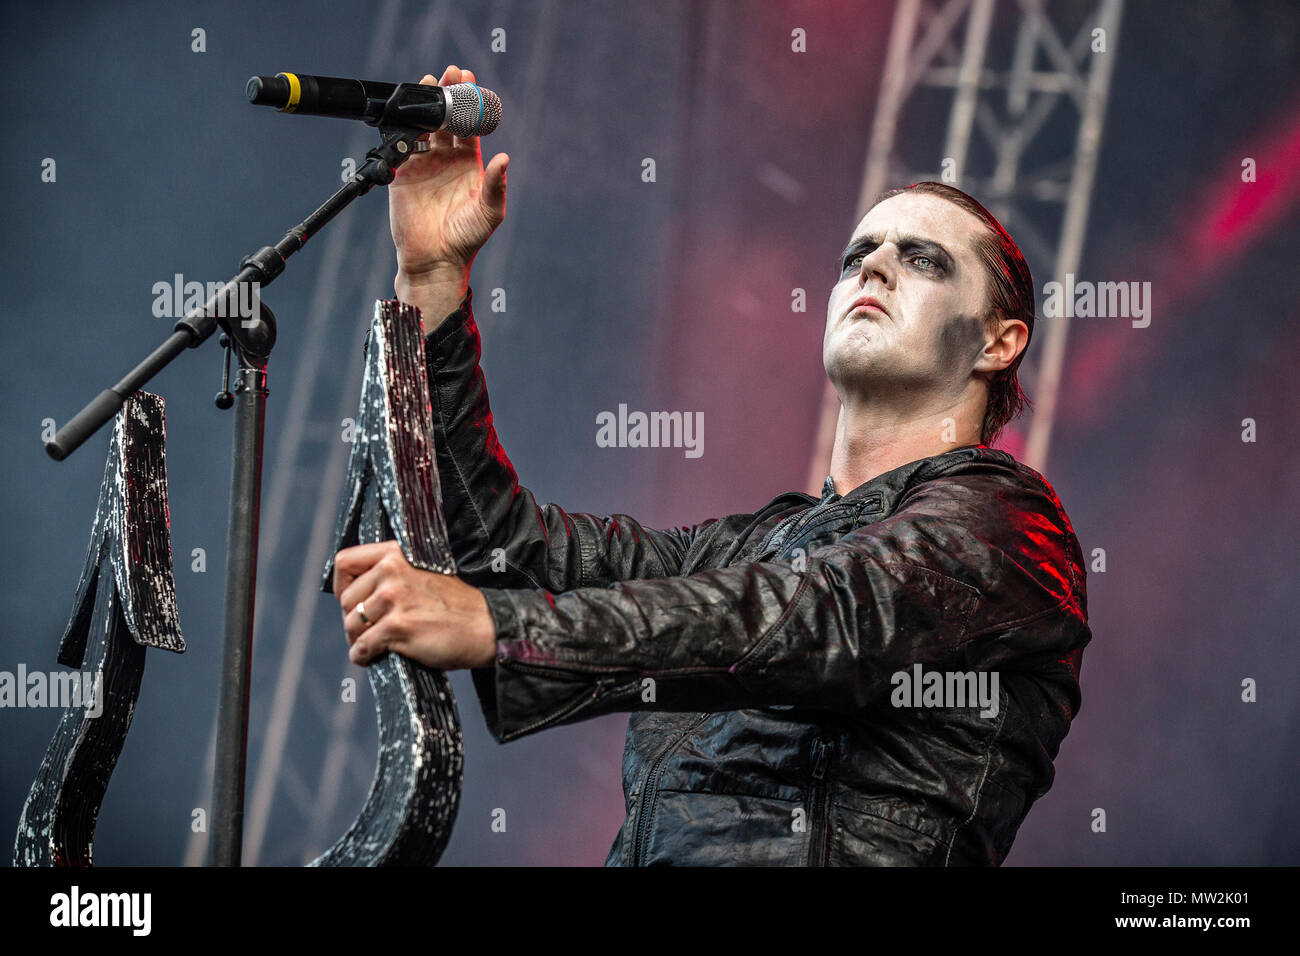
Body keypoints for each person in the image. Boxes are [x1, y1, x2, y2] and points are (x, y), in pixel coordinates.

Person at [331, 64, 1092, 866]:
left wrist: (494, 625)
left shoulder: (1010, 527)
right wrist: (433, 280)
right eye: (858, 252)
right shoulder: (738, 549)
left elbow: (814, 617)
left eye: (922, 259)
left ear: (999, 341)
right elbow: (500, 551)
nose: (872, 267)